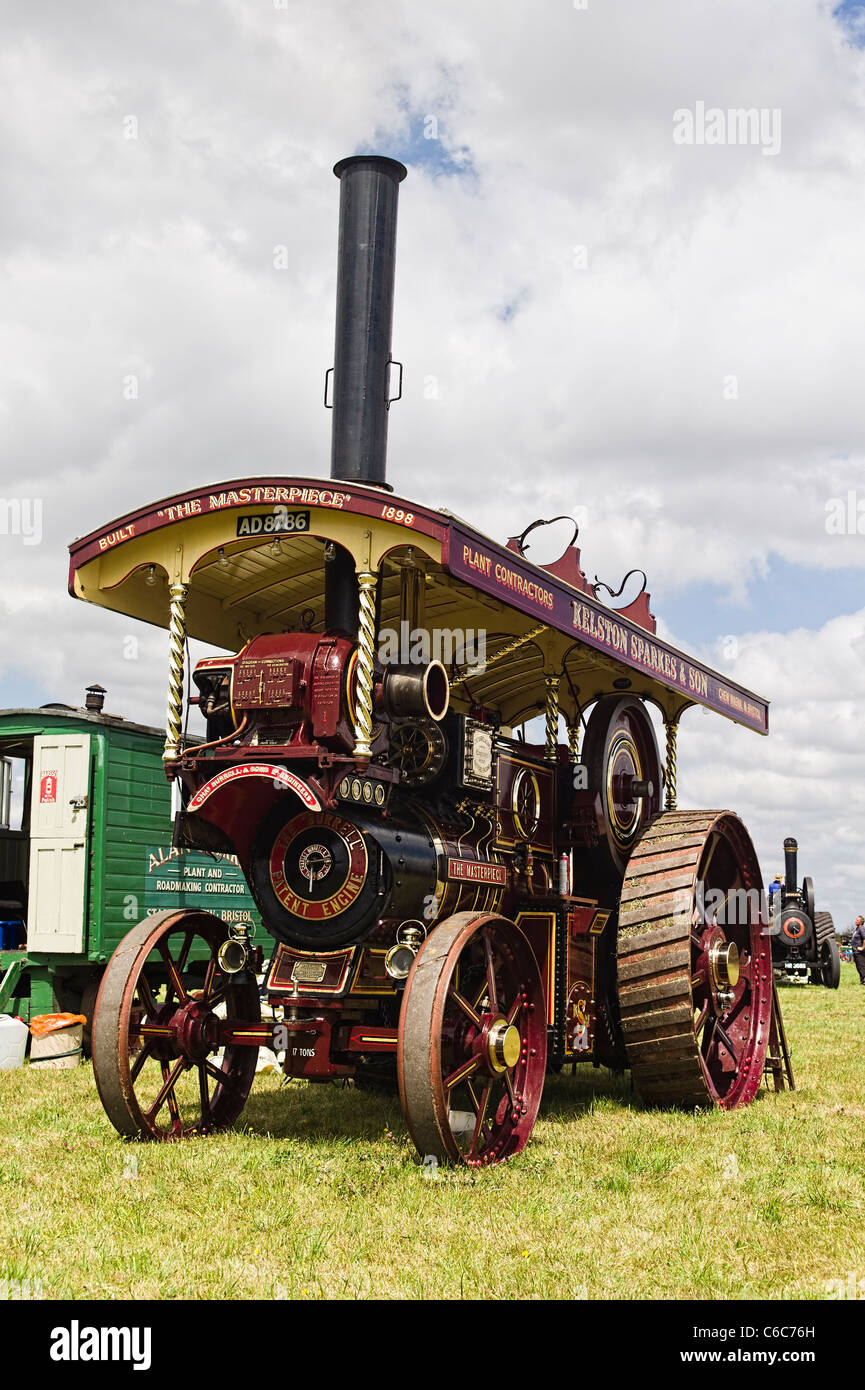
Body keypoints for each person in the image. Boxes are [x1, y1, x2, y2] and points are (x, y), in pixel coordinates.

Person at [852, 916, 865, 985]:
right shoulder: (857, 929)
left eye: (857, 920)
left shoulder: (862, 929)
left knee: (861, 966)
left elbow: (864, 938)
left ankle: (864, 981)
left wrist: (862, 948)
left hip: (860, 952)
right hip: (855, 951)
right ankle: (862, 980)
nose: (855, 921)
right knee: (858, 966)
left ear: (861, 922)